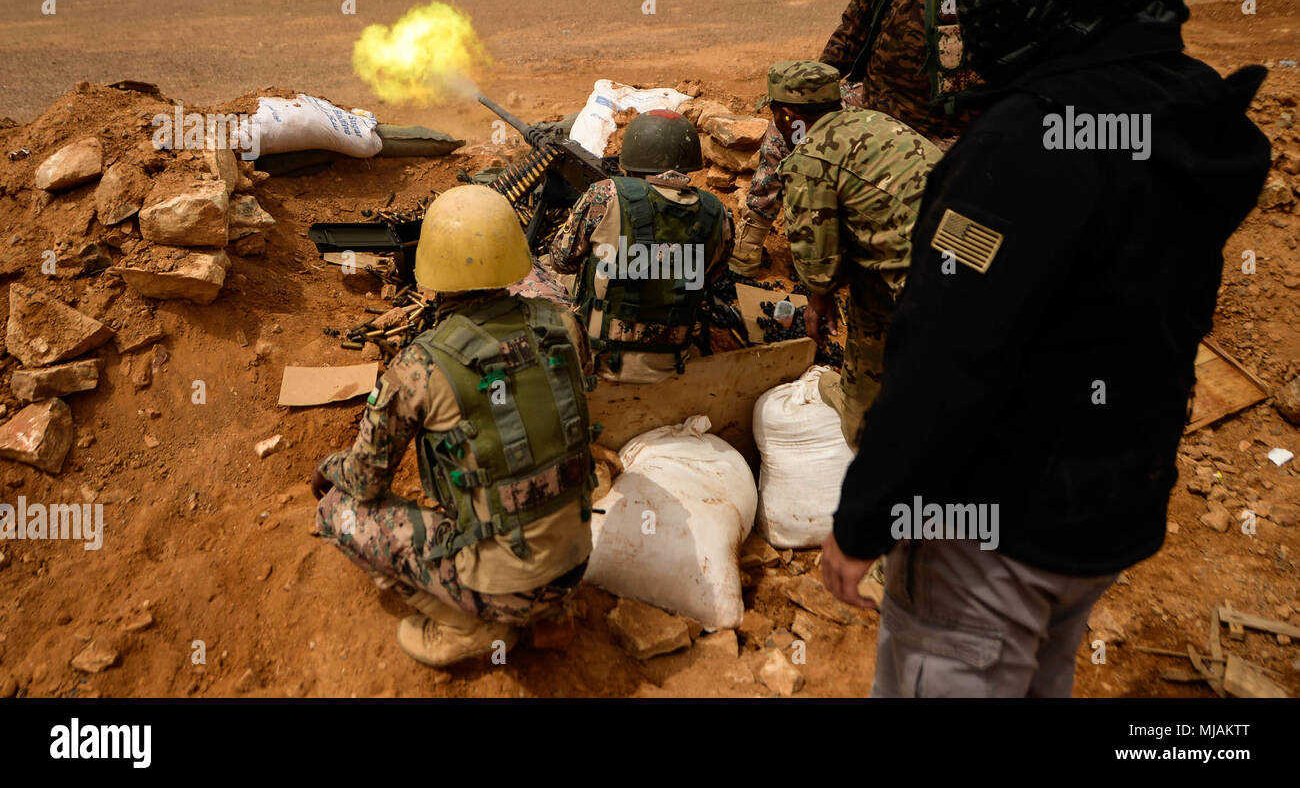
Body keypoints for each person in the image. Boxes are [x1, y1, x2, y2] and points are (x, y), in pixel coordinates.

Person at [820, 0, 1272, 697]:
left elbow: (948, 356)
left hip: (989, 535)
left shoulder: (1023, 146)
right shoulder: (1183, 116)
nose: (974, 0)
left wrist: (864, 519)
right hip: (1104, 517)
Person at [312, 184, 597, 668]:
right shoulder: (563, 325)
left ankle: (472, 624)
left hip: (505, 586)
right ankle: (552, 615)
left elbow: (364, 479)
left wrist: (327, 466)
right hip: (575, 562)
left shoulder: (419, 366)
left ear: (433, 271)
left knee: (337, 511)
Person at [730, 0, 993, 277]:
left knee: (951, 204)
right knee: (787, 127)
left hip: (947, 124)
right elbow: (857, 18)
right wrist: (815, 88)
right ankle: (754, 235)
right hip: (876, 101)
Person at [771, 60, 943, 448]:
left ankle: (867, 426)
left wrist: (820, 296)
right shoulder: (875, 123)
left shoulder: (811, 157)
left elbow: (816, 257)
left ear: (786, 114)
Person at [550, 110, 734, 383]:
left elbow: (561, 260)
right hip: (673, 365)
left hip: (602, 365)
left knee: (541, 274)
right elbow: (713, 274)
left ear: (633, 158)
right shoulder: (717, 213)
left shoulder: (605, 194)